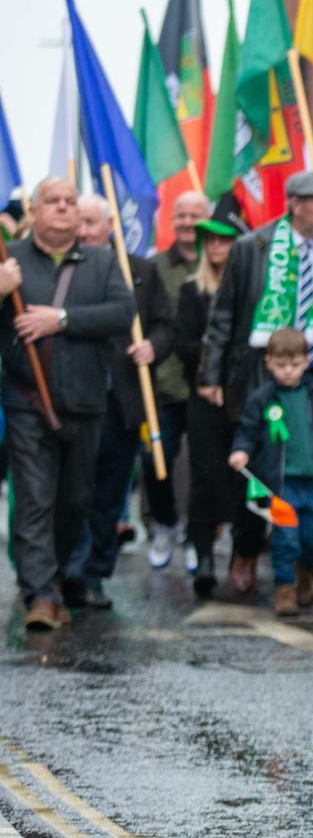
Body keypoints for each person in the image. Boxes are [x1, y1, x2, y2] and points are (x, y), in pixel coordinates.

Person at [198, 171, 313, 601]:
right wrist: (212, 375)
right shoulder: (251, 247)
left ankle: (307, 571)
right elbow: (224, 316)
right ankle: (247, 551)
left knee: (312, 469)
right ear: (293, 202)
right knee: (259, 469)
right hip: (261, 369)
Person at [1, 178, 136, 630]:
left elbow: (122, 313)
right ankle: (40, 593)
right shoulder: (10, 260)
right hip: (27, 401)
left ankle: (51, 578)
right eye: (52, 201)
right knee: (36, 498)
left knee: (75, 501)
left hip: (85, 402)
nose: (62, 208)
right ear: (33, 212)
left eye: (69, 202)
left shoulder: (100, 261)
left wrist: (60, 319)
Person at [72, 193, 176, 610]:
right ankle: (68, 572)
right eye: (78, 223)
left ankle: (95, 574)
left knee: (110, 496)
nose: (83, 231)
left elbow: (167, 328)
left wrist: (154, 346)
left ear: (108, 226)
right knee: (75, 493)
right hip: (76, 401)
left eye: (91, 223)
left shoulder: (142, 272)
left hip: (124, 405)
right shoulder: (66, 270)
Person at [227, 327, 313, 617]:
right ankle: (285, 590)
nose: (288, 371)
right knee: (285, 539)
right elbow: (248, 430)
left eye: (294, 365)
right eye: (281, 365)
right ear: (269, 363)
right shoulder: (262, 398)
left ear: (306, 361)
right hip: (282, 484)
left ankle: (306, 579)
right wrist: (241, 450)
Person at [175, 200, 249, 596]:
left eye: (225, 240)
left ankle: (243, 555)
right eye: (211, 240)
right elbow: (183, 342)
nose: (217, 247)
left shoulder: (250, 289)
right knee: (205, 479)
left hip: (243, 398)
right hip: (203, 397)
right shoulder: (193, 290)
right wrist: (209, 374)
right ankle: (202, 555)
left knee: (244, 478)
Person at [142, 189, 209, 569]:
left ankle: (195, 538)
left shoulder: (220, 260)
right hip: (162, 387)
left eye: (194, 215)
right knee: (155, 459)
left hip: (205, 387)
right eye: (180, 215)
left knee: (204, 467)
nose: (187, 222)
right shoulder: (155, 267)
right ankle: (165, 523)